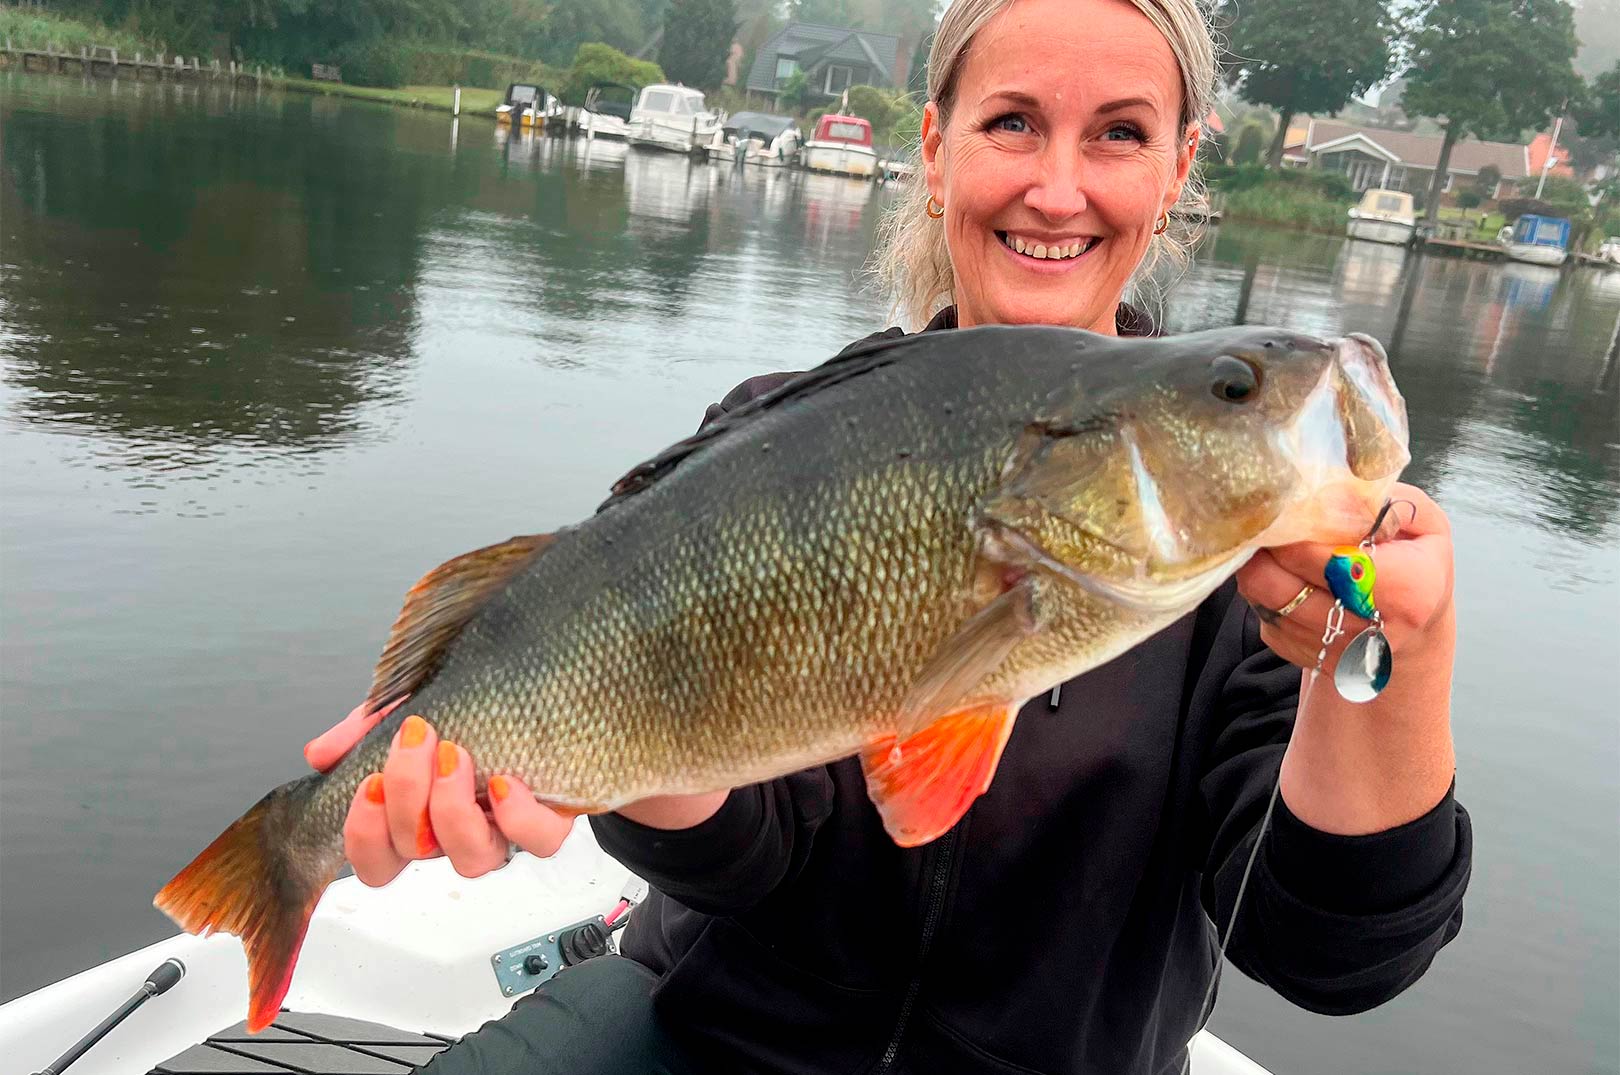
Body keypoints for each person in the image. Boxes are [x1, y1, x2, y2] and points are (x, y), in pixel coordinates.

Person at [304, 0, 1471, 1070]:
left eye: (1119, 134)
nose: (1057, 188)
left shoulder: (1255, 575)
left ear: (1178, 170)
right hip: (693, 1030)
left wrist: (1392, 668)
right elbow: (747, 856)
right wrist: (598, 759)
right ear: (936, 147)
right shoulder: (770, 433)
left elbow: (1330, 955)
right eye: (1013, 123)